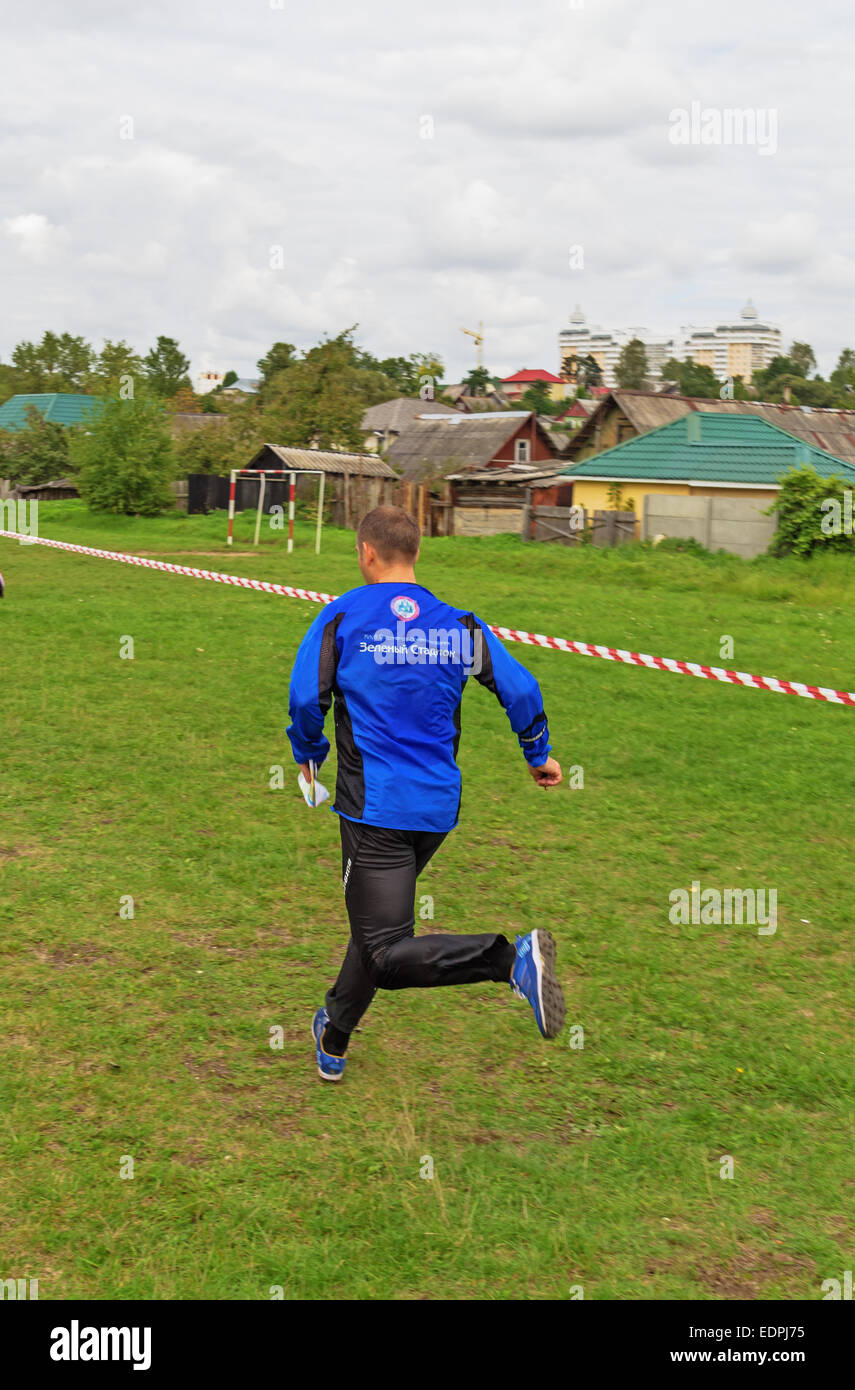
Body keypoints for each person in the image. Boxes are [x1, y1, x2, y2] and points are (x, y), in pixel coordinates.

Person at [287, 505, 565, 1081]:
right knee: (373, 926)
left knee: (385, 952)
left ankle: (508, 960)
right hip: (436, 809)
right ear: (415, 553)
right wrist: (537, 753)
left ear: (366, 552)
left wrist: (308, 755)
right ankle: (333, 1038)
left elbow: (304, 699)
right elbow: (521, 688)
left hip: (376, 811)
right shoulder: (458, 624)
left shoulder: (341, 617)